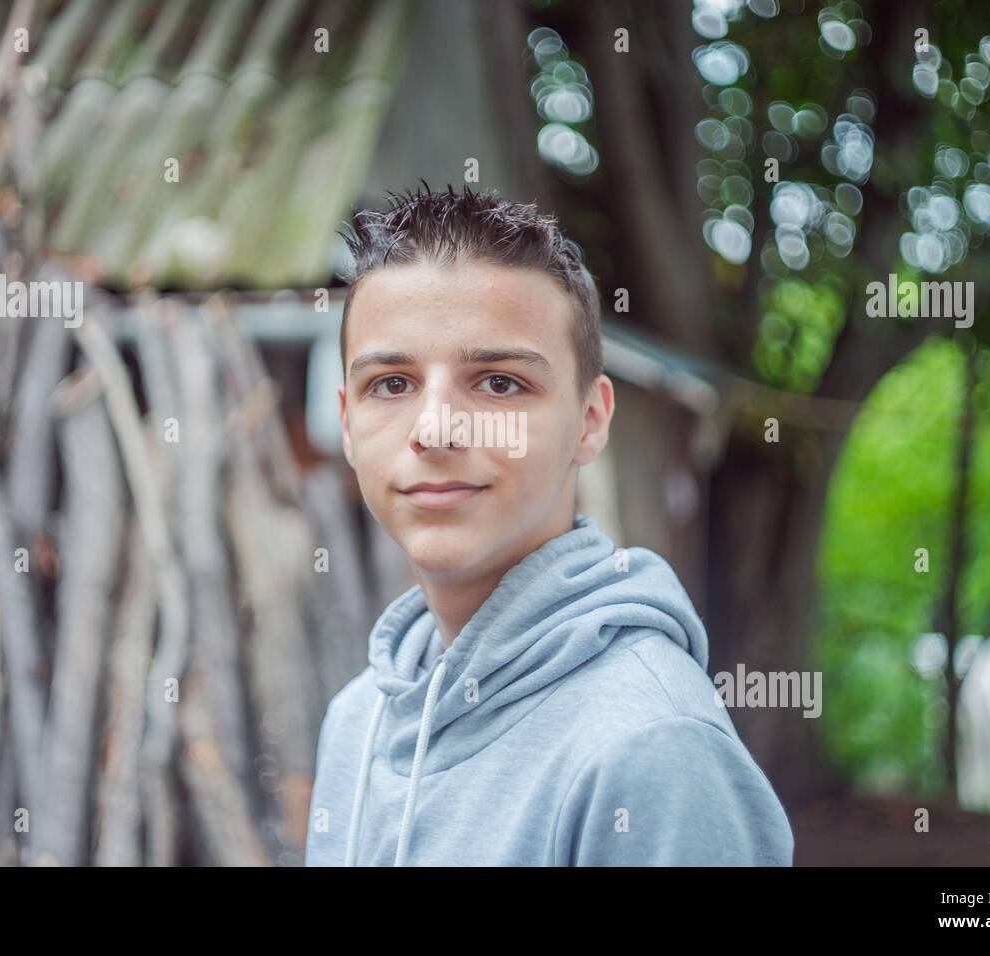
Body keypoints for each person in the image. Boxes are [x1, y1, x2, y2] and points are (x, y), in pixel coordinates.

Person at [304, 182, 793, 866]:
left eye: (500, 382)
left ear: (590, 420)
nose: (435, 431)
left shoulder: (652, 749)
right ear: (348, 422)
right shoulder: (358, 721)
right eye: (391, 384)